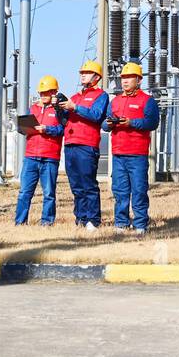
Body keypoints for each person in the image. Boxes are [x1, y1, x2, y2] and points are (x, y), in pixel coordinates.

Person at [106, 62, 160, 233]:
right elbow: (104, 125)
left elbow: (152, 122)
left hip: (137, 154)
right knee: (120, 191)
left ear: (138, 80)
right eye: (123, 78)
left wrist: (131, 123)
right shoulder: (115, 101)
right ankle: (121, 223)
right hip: (118, 154)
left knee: (139, 190)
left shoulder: (147, 101)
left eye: (129, 77)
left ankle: (140, 224)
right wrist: (108, 124)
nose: (125, 81)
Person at [63, 59, 108, 230]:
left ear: (97, 77)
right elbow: (64, 121)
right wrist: (61, 110)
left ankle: (93, 220)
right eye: (81, 73)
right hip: (70, 144)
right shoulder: (74, 97)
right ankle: (80, 219)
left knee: (88, 183)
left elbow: (96, 115)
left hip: (87, 144)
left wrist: (75, 108)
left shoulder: (101, 96)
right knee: (76, 185)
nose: (83, 75)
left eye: (87, 73)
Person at [15, 75, 65, 226]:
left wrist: (46, 129)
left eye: (47, 92)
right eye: (41, 93)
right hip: (31, 156)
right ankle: (20, 222)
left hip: (49, 157)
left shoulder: (59, 111)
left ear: (55, 92)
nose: (43, 95)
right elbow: (25, 127)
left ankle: (47, 222)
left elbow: (62, 129)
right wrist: (23, 128)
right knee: (24, 192)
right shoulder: (33, 108)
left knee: (49, 193)